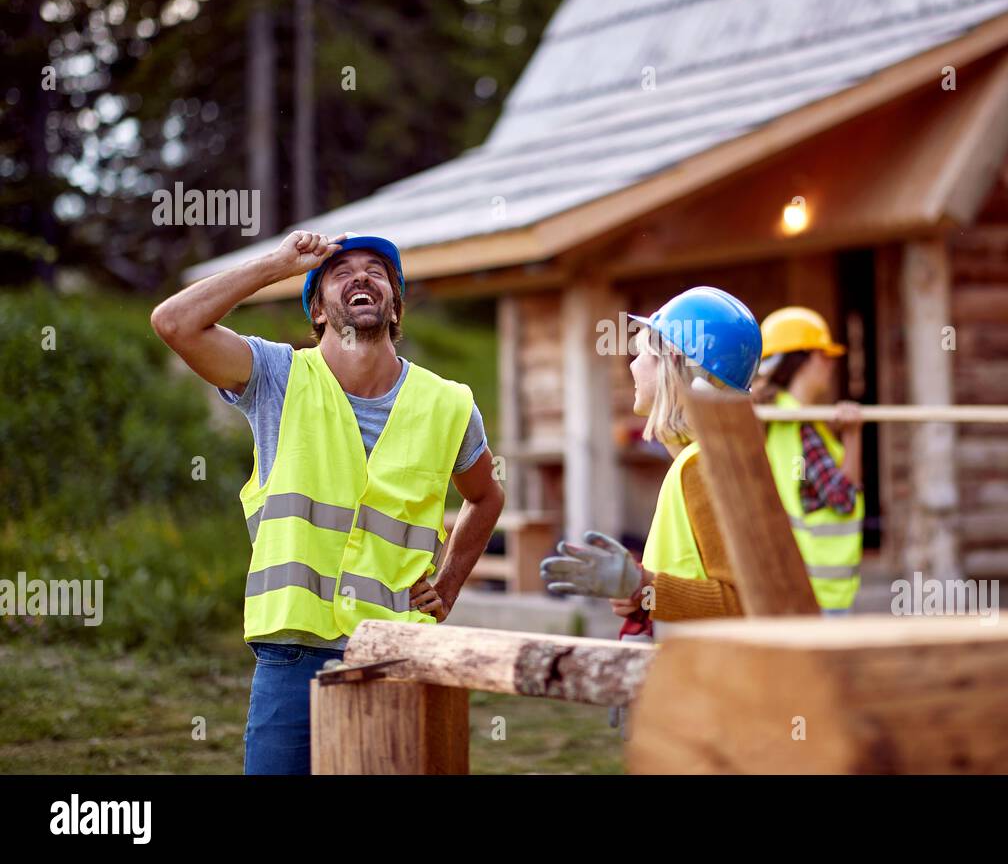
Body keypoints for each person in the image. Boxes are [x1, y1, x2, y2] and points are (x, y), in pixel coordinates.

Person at [150, 229, 504, 774]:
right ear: (317, 310)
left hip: (396, 652)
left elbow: (485, 497)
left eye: (376, 270)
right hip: (292, 656)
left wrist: (450, 585)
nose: (360, 276)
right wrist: (277, 265)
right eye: (341, 271)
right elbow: (173, 323)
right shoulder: (276, 376)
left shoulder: (450, 405)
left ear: (395, 305)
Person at [538, 286, 763, 638]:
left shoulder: (701, 467)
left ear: (671, 363)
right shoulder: (710, 458)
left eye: (642, 352)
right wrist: (644, 594)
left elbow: (741, 604)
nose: (631, 364)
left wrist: (643, 586)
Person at [754, 306, 865, 613]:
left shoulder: (778, 418)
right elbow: (842, 498)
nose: (831, 365)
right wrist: (854, 435)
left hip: (793, 583)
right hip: (819, 591)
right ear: (801, 359)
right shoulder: (798, 426)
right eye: (824, 355)